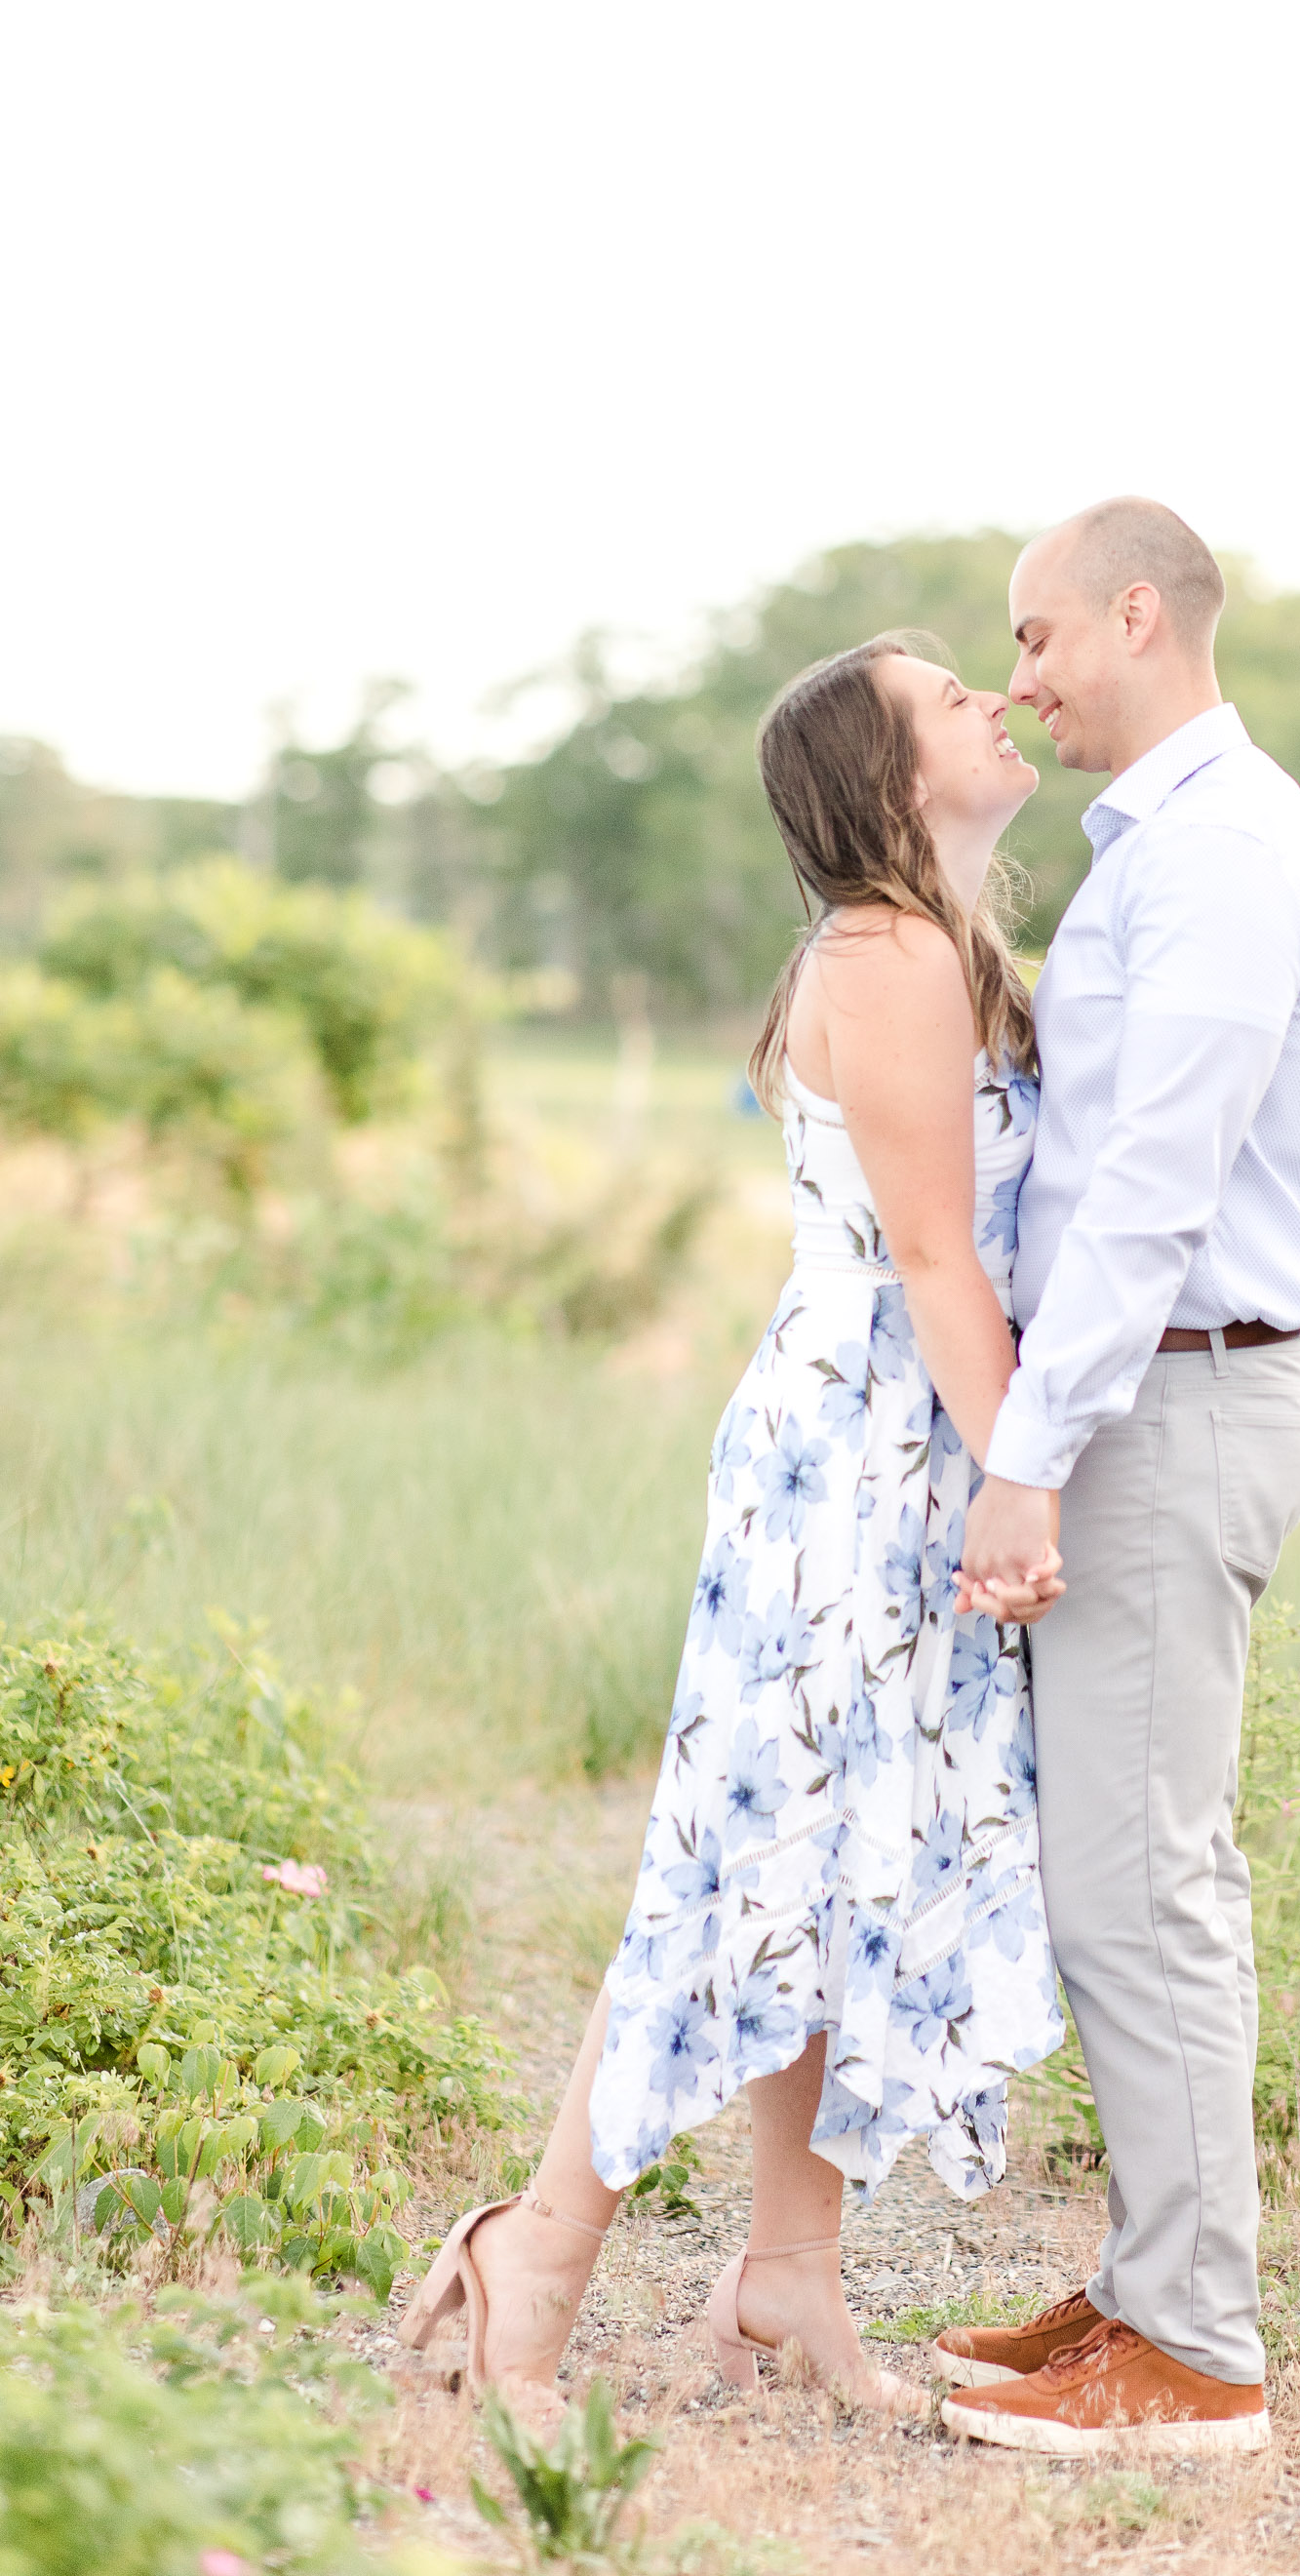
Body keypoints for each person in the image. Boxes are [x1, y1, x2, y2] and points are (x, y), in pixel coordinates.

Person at [401, 635, 1066, 2418]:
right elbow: (937, 1259)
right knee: (741, 1857)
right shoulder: (895, 954)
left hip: (883, 1445)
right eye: (950, 703)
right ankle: (532, 2248)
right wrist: (1026, 1475)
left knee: (854, 1861)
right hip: (857, 1461)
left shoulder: (939, 946)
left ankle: (787, 2277)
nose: (992, 704)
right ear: (886, 779)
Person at [937, 498, 1300, 2456]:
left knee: (1144, 1888)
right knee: (1131, 1871)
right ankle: (1146, 2287)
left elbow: (1144, 1198)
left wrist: (1027, 1459)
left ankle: (1194, 2352)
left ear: (1135, 613)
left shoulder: (1221, 856)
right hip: (1158, 1402)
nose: (1020, 680)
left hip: (1168, 1408)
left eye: (1034, 640)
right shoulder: (1174, 848)